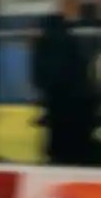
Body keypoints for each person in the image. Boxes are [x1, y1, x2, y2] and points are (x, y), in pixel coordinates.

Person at [32, 12, 100, 166]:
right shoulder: (73, 45)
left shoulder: (46, 46)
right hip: (79, 107)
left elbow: (42, 78)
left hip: (62, 107)